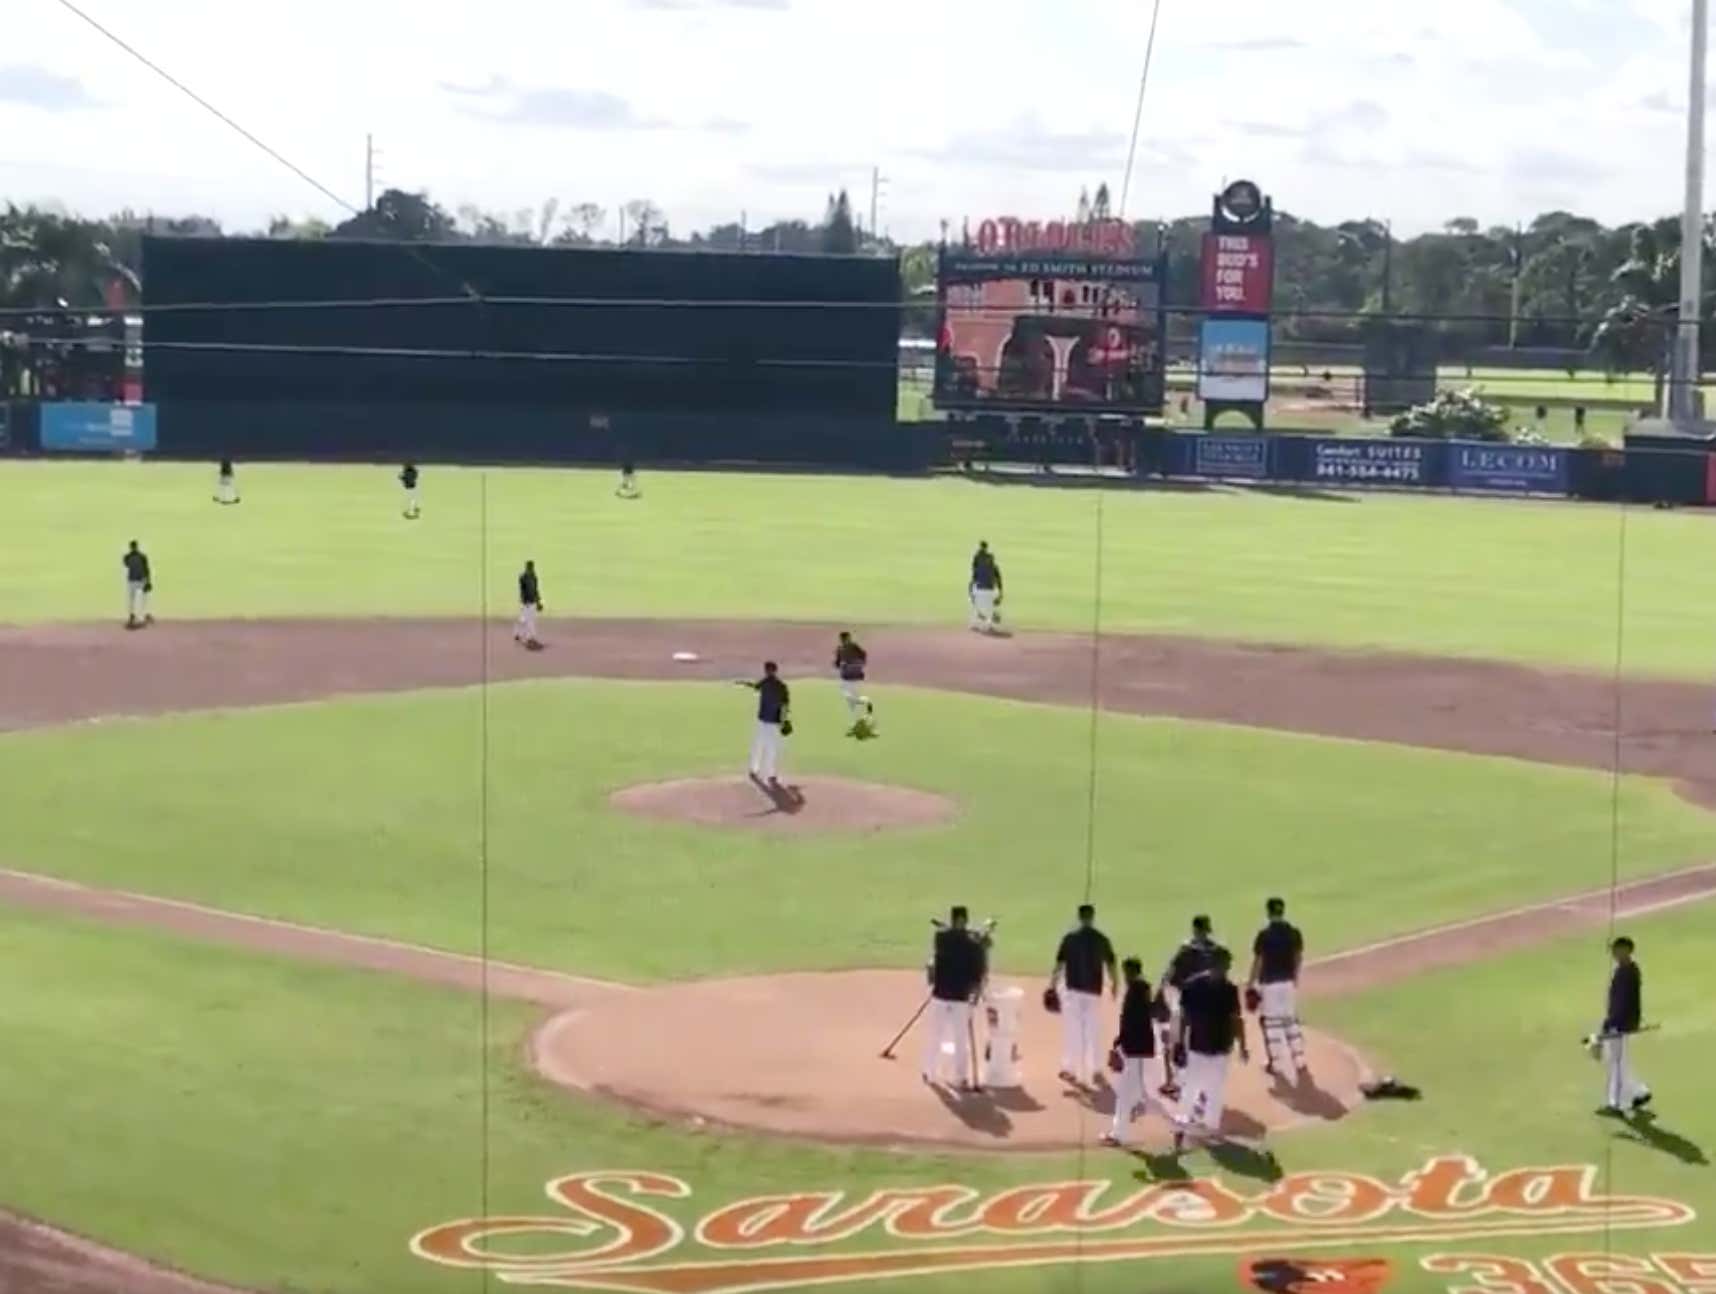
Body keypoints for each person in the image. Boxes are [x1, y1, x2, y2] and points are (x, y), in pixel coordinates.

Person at [1172, 947, 1249, 1152]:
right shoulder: (1192, 987)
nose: (1225, 969)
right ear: (1213, 964)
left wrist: (1242, 1045)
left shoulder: (1229, 989)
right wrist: (1179, 1042)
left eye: (1226, 966)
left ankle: (1209, 1127)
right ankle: (1182, 1123)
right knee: (1192, 1087)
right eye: (1223, 965)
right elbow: (1184, 1018)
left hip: (1221, 1047)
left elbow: (1236, 1019)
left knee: (1215, 1089)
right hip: (1198, 1045)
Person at [1050, 903, 1117, 1087]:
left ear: (1079, 917)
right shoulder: (1101, 938)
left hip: (1073, 991)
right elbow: (1111, 963)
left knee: (1073, 1030)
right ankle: (1095, 1069)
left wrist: (1052, 984)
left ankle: (1071, 1069)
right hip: (1093, 991)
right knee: (1092, 1030)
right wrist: (1115, 983)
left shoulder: (1070, 938)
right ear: (1092, 917)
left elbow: (1059, 964)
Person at [1159, 915, 1224, 1098]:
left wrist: (1162, 997)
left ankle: (1174, 1083)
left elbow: (1168, 977)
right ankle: (1199, 1085)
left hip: (1184, 1001)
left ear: (1195, 930)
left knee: (1175, 1042)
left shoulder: (1185, 950)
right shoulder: (1215, 951)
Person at [923, 905, 985, 1090]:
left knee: (935, 1035)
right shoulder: (973, 944)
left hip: (941, 993)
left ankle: (930, 1072)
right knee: (961, 1039)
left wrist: (954, 932)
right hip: (961, 996)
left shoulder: (941, 938)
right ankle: (960, 1077)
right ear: (965, 920)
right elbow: (978, 972)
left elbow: (947, 939)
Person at [1102, 957, 1162, 1147]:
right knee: (1141, 1091)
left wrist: (1120, 1043)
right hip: (1140, 1047)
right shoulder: (1142, 989)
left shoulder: (1136, 990)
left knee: (1126, 1093)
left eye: (1126, 972)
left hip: (1135, 1049)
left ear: (1130, 972)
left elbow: (1131, 1021)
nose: (1125, 976)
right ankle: (1179, 1127)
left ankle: (1118, 1135)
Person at [1248, 897, 1307, 1084]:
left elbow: (1258, 961)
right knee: (1290, 1021)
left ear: (1268, 912)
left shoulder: (1264, 935)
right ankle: (1300, 1060)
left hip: (1270, 984)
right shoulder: (1293, 932)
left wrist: (1251, 983)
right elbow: (1298, 957)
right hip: (1288, 982)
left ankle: (1276, 1063)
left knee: (1272, 1024)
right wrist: (1295, 977)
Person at [1596, 936, 1651, 1117]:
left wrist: (1611, 1024)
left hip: (1620, 1023)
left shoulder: (1627, 973)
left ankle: (1616, 1104)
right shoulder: (1627, 970)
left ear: (1626, 951)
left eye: (1616, 950)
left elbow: (1622, 1003)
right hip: (1621, 1022)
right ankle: (1639, 1092)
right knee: (1618, 1061)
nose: (1613, 953)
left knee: (1617, 1064)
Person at [737, 661, 791, 786]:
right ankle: (768, 774)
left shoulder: (768, 683)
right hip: (770, 722)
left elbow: (755, 687)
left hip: (766, 721)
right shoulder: (779, 685)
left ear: (767, 671)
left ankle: (756, 770)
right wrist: (785, 720)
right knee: (768, 748)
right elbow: (786, 705)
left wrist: (784, 720)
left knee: (760, 746)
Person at [833, 631, 874, 737]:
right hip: (849, 677)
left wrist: (856, 665)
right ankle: (857, 723)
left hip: (852, 677)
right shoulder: (842, 649)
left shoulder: (851, 647)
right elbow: (838, 663)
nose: (845, 641)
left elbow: (863, 656)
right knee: (851, 702)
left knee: (851, 700)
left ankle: (865, 702)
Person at [969, 541, 1003, 633]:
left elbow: (973, 580)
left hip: (979, 590)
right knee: (990, 607)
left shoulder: (977, 563)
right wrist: (1000, 594)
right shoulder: (994, 566)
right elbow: (999, 580)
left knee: (974, 602)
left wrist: (970, 594)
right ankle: (990, 622)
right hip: (991, 591)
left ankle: (976, 621)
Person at [121, 540, 153, 630]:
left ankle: (133, 616)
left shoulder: (127, 557)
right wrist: (148, 581)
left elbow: (127, 565)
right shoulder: (142, 556)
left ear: (130, 547)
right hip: (140, 580)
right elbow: (146, 569)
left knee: (132, 599)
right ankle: (141, 617)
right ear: (137, 546)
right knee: (143, 599)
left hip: (132, 580)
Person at [515, 560, 544, 650]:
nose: (531, 569)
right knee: (529, 621)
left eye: (532, 568)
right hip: (527, 602)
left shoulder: (534, 576)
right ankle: (530, 639)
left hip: (532, 601)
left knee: (525, 619)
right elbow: (523, 590)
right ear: (527, 567)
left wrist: (539, 601)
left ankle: (518, 633)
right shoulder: (523, 577)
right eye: (530, 567)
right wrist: (525, 601)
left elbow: (536, 590)